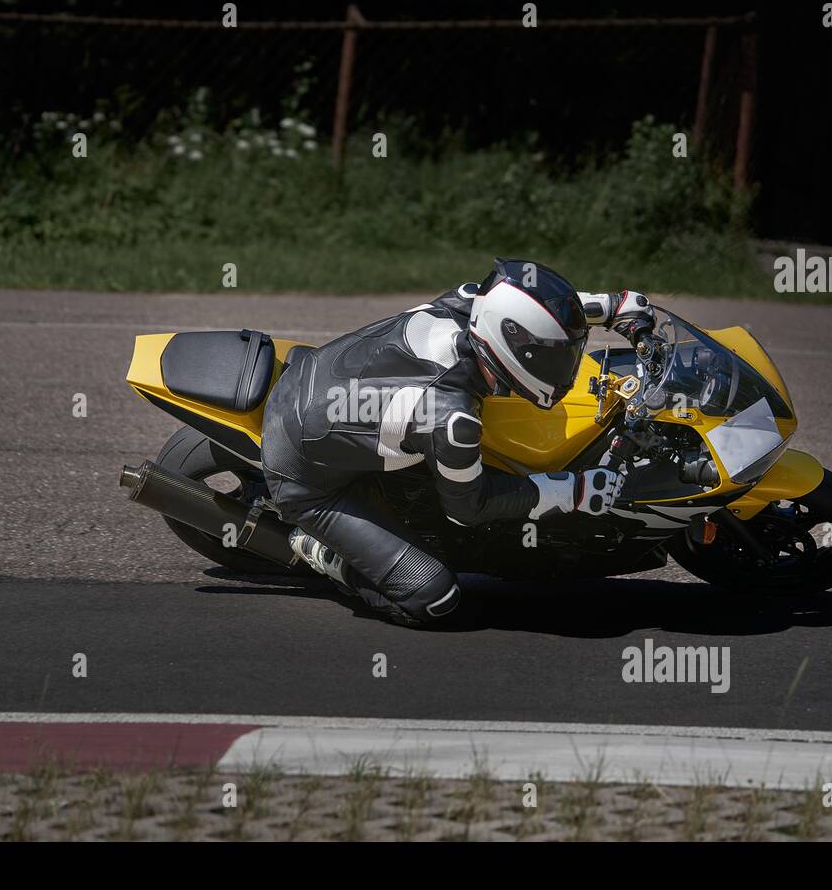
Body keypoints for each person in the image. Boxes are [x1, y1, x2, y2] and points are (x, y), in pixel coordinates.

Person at [259, 258, 656, 627]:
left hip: (317, 383)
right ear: (514, 350)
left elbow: (522, 303)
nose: (564, 365)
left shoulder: (471, 303)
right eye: (551, 356)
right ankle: (323, 552)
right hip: (305, 473)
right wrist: (571, 492)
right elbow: (471, 507)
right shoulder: (452, 419)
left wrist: (610, 305)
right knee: (434, 597)